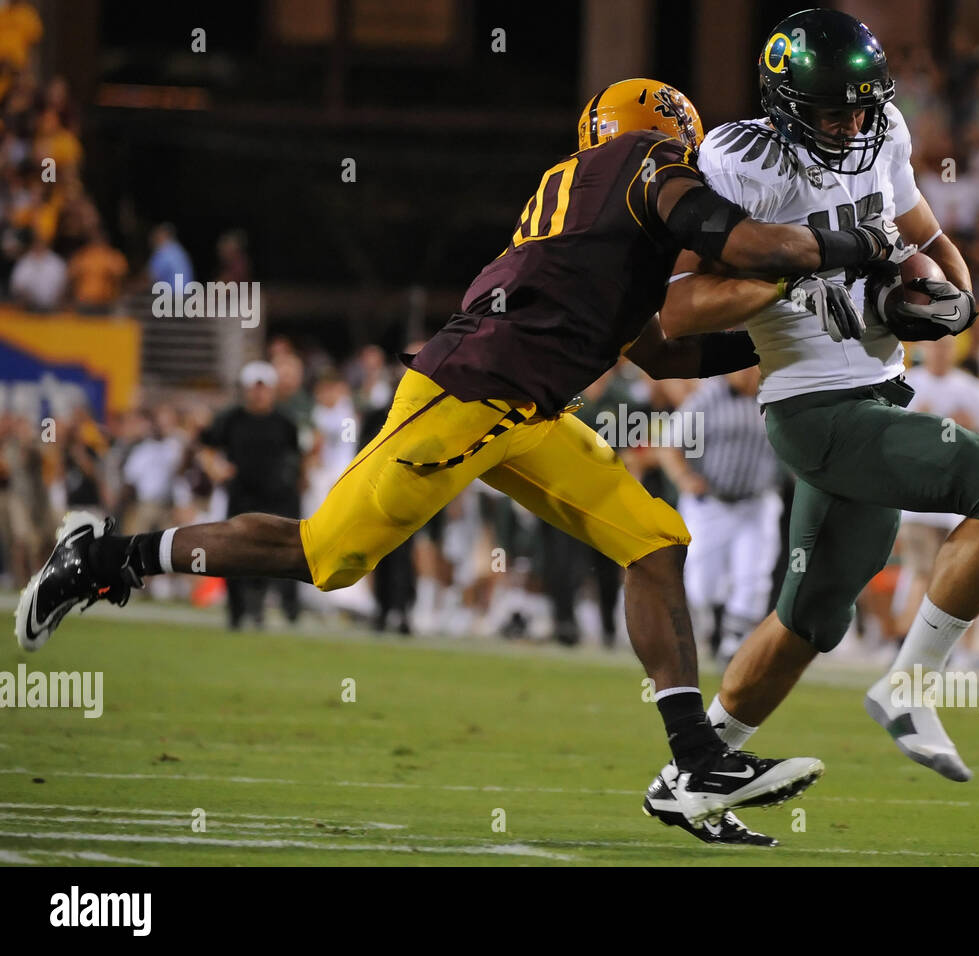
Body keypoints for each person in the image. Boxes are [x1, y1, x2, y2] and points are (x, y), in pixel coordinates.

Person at [17, 77, 909, 839]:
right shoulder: (642, 168)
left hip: (525, 404)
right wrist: (859, 248)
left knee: (654, 538)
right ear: (667, 137)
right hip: (476, 390)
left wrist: (800, 338)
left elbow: (666, 350)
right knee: (325, 555)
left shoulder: (605, 212)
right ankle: (105, 558)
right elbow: (747, 245)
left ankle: (695, 766)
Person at [649, 9, 979, 843]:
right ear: (788, 104)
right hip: (815, 407)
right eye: (835, 112)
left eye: (864, 108)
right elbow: (678, 309)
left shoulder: (884, 130)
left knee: (809, 620)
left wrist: (953, 295)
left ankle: (691, 776)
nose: (855, 125)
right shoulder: (741, 162)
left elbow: (921, 234)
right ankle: (909, 686)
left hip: (880, 392)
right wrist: (807, 264)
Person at [659, 366, 783, 665]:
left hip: (757, 501)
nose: (748, 373)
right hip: (710, 501)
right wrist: (685, 479)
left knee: (753, 575)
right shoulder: (708, 398)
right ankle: (712, 629)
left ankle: (734, 644)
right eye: (743, 367)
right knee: (702, 581)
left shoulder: (776, 399)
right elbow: (669, 444)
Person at [196, 361, 303, 629]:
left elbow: (301, 455)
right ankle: (235, 611)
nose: (258, 394)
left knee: (268, 555)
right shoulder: (230, 419)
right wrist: (215, 468)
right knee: (234, 552)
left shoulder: (285, 421)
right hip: (241, 495)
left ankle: (261, 606)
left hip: (275, 497)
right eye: (253, 388)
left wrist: (297, 482)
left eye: (263, 388)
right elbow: (206, 446)